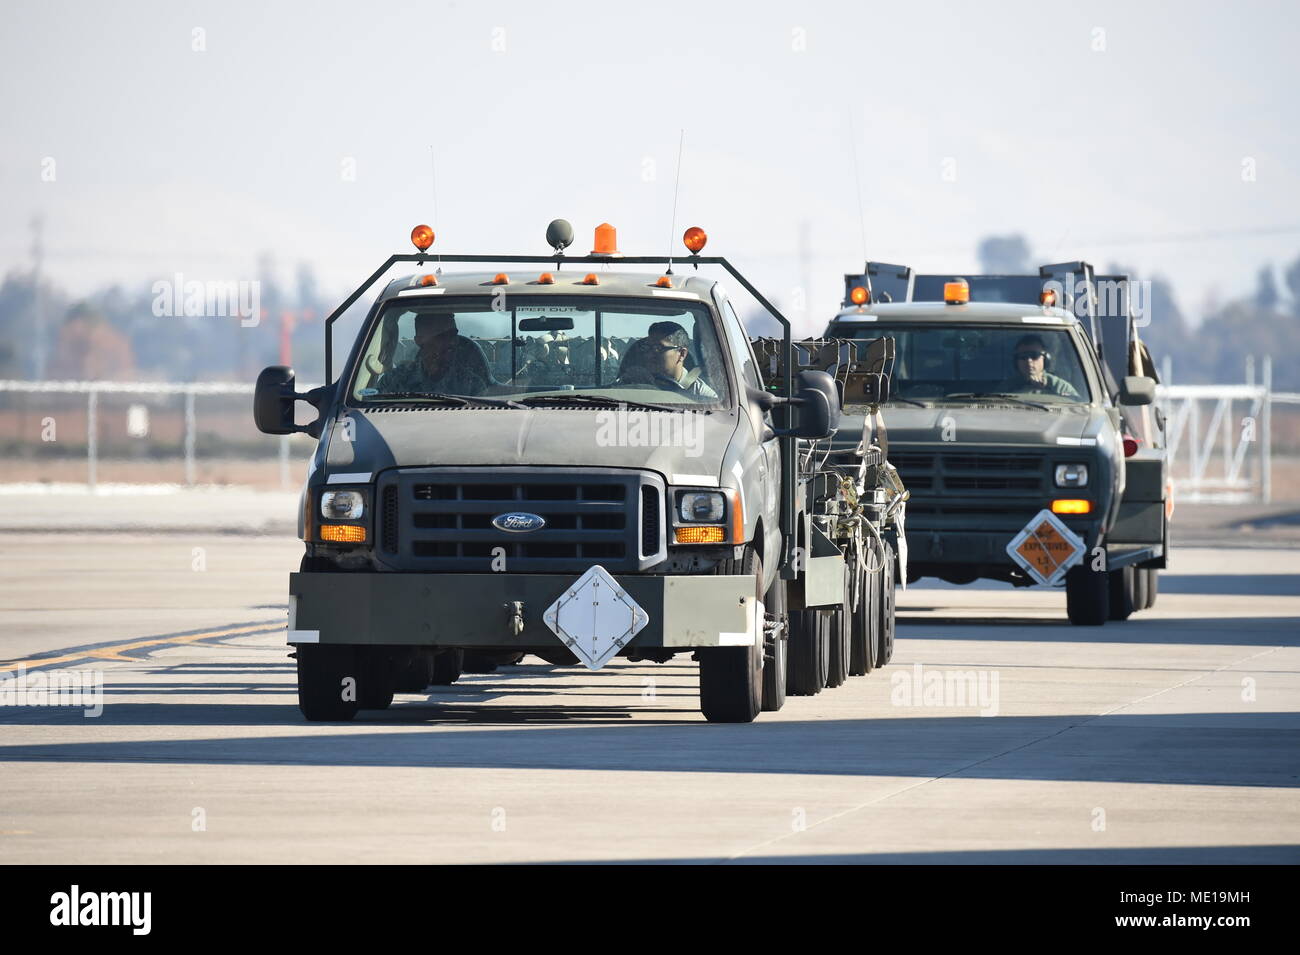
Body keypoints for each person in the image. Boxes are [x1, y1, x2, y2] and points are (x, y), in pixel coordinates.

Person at [374, 314, 489, 396]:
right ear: (419, 340)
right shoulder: (394, 381)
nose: (452, 342)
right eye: (441, 336)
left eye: (453, 335)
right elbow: (370, 408)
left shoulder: (472, 385)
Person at [618, 321, 718, 399]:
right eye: (647, 348)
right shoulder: (632, 383)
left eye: (658, 348)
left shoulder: (703, 396)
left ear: (682, 354)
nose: (649, 354)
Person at [999, 334, 1079, 398]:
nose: (1029, 361)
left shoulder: (1060, 386)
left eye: (1034, 356)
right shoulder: (1007, 387)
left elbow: (1078, 409)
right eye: (1023, 357)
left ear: (1045, 359)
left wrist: (1044, 390)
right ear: (1016, 362)